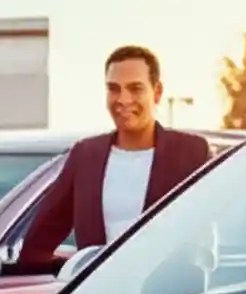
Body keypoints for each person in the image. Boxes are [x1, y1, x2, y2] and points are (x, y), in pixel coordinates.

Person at [6, 45, 210, 275]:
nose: (123, 99)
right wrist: (72, 271)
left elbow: (207, 236)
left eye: (135, 88)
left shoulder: (190, 152)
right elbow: (38, 243)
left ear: (157, 91)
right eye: (114, 89)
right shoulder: (85, 156)